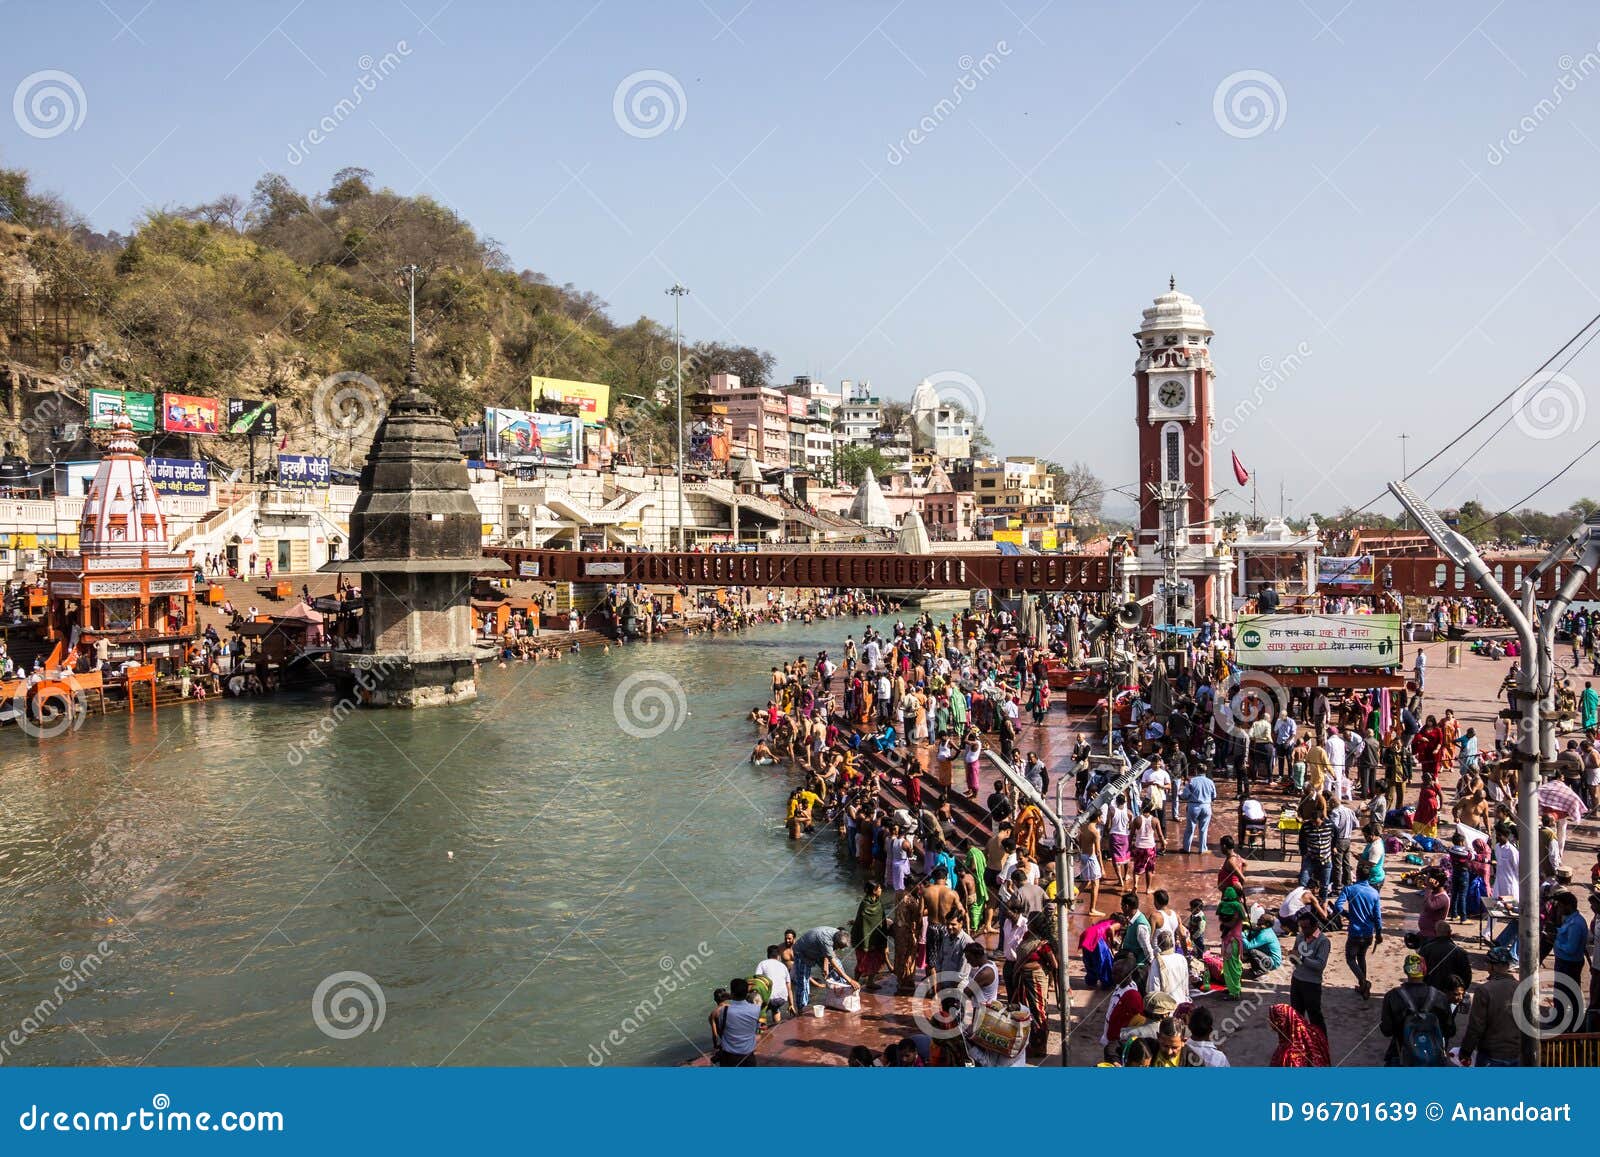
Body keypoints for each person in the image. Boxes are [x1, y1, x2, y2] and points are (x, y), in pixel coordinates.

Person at [1379, 953, 1456, 1066]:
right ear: (1424, 971)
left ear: (1406, 970)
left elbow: (1387, 1030)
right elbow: (1450, 1030)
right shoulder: (1440, 997)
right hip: (1433, 1056)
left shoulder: (1392, 996)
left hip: (1402, 1056)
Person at [1458, 946, 1523, 1066]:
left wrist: (1465, 1051)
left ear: (1491, 966)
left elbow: (1476, 1026)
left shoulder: (1484, 990)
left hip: (1491, 1054)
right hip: (1515, 1053)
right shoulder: (1521, 988)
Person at [1332, 862, 1384, 999]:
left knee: (1350, 959)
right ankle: (1363, 986)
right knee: (1361, 957)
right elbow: (1378, 916)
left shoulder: (1349, 890)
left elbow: (1337, 906)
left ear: (1358, 875)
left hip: (1354, 932)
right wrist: (1378, 933)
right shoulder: (1374, 893)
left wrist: (1348, 915)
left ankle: (1363, 982)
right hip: (1368, 932)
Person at [791, 926, 859, 1010]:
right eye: (839, 947)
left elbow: (829, 951)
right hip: (803, 953)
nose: (839, 949)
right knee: (803, 982)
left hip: (818, 950)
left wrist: (825, 965)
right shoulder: (826, 940)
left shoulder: (839, 933)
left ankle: (842, 996)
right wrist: (850, 980)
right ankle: (802, 1008)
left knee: (836, 970)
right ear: (836, 942)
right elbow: (833, 961)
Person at [1289, 909, 1330, 1032]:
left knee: (1315, 1017)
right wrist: (1293, 957)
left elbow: (1320, 965)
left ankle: (1321, 1044)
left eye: (1306, 928)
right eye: (1301, 927)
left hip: (1311, 984)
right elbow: (1295, 954)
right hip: (1297, 980)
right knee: (1296, 1015)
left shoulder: (1323, 941)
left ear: (1315, 926)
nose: (1303, 931)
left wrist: (1301, 958)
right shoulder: (1300, 937)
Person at [711, 978, 762, 1066]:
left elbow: (720, 1031)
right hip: (748, 1056)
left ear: (732, 993)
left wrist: (730, 996)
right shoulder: (756, 1009)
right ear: (746, 993)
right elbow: (756, 1028)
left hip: (729, 1057)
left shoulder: (724, 1011)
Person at [849, 882, 890, 986]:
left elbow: (880, 920)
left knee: (876, 960)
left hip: (876, 937)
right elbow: (863, 922)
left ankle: (870, 982)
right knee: (861, 962)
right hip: (864, 938)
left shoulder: (878, 903)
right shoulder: (865, 904)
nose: (881, 890)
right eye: (879, 888)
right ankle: (855, 982)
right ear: (874, 891)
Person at [1268, 1003, 1330, 1067]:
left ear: (1282, 1024)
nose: (1270, 1023)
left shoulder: (1287, 1055)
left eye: (1273, 1021)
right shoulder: (1316, 1032)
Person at [1181, 767, 1216, 853]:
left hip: (1193, 806)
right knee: (1203, 829)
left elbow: (1185, 795)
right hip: (1206, 806)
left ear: (1196, 771)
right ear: (1205, 771)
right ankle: (1202, 849)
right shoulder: (1210, 781)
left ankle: (1186, 848)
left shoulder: (1192, 781)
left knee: (1190, 828)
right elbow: (1214, 796)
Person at [754, 945, 791, 1025]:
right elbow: (789, 987)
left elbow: (757, 981)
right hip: (781, 999)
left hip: (768, 999)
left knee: (761, 1010)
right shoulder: (783, 966)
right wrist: (791, 1004)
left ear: (768, 955)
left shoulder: (762, 964)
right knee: (775, 1008)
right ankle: (777, 1026)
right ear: (778, 956)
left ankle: (760, 1028)